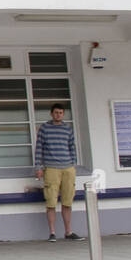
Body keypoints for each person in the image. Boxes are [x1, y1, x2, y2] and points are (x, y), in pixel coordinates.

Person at [35, 103, 82, 242]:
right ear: (51, 113)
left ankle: (68, 232)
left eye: (61, 113)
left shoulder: (67, 129)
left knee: (67, 201)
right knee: (51, 202)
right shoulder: (44, 128)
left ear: (63, 114)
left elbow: (72, 147)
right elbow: (39, 149)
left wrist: (73, 163)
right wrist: (38, 167)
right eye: (56, 112)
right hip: (51, 168)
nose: (58, 115)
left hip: (68, 168)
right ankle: (52, 233)